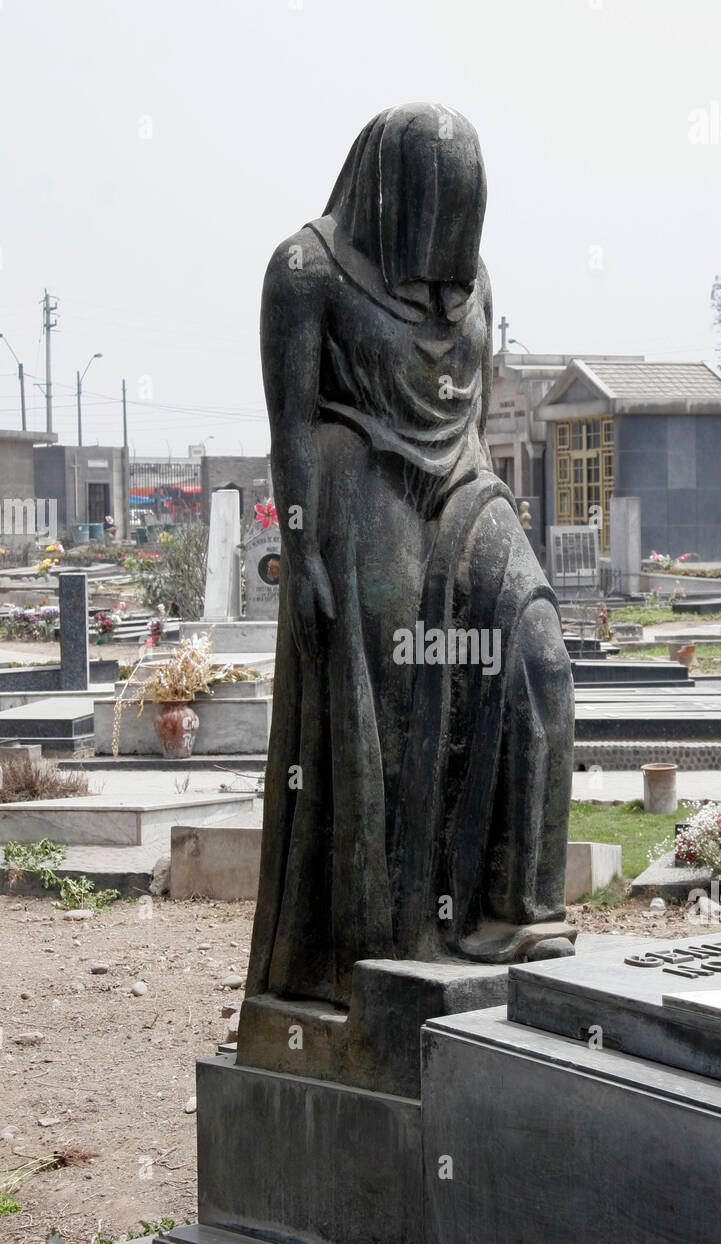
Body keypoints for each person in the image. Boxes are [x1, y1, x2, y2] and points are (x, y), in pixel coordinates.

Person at [245, 103, 575, 1009]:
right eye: (433, 213)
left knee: (539, 653)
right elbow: (292, 429)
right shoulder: (306, 270)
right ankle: (387, 938)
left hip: (462, 488)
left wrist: (477, 508)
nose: (446, 251)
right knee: (391, 703)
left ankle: (519, 910)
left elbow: (466, 416)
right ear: (391, 193)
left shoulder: (478, 284)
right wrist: (305, 545)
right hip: (361, 495)